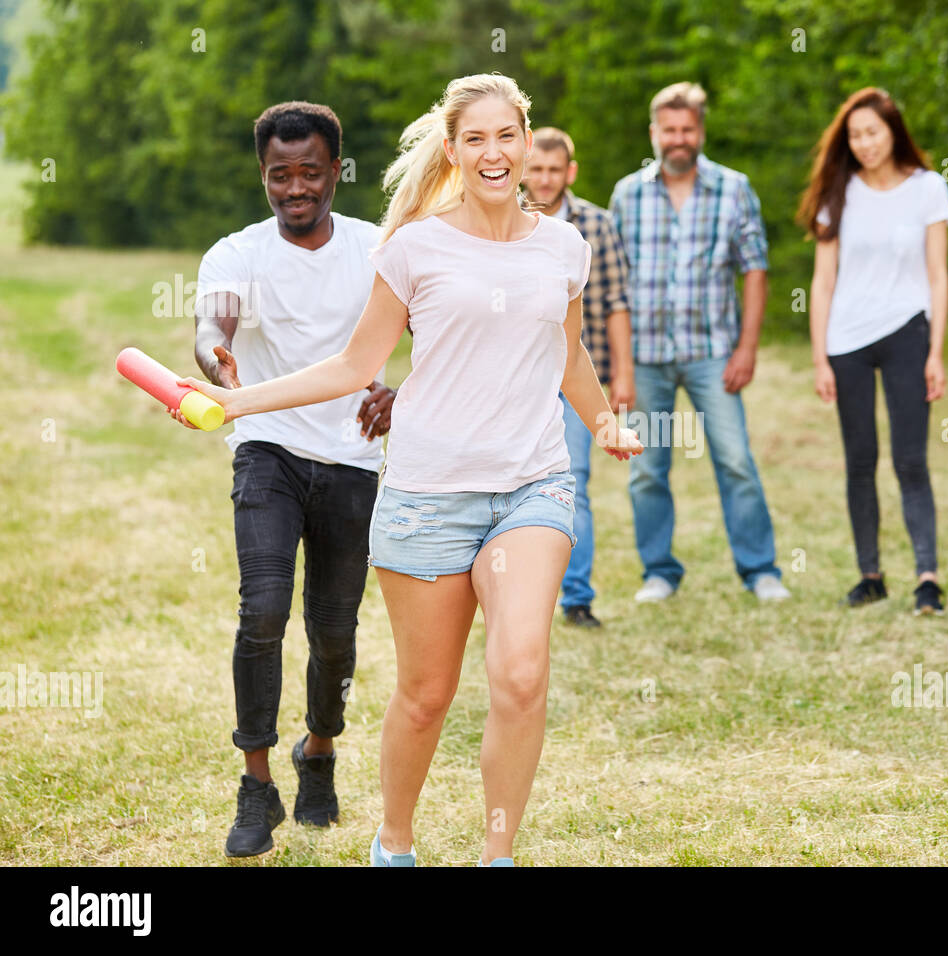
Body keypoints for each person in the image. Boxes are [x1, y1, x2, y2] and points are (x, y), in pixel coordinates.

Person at [175, 74, 643, 867]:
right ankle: (394, 842)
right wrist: (240, 401)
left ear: (527, 142)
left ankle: (499, 856)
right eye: (476, 140)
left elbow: (567, 352)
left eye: (507, 136)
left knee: (521, 673)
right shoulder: (414, 247)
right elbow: (356, 364)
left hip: (531, 483)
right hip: (428, 494)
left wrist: (603, 423)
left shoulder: (565, 245)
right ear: (454, 152)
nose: (493, 153)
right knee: (427, 696)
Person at [174, 101, 397, 858]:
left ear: (337, 170)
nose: (295, 188)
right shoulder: (237, 252)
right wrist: (215, 356)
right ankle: (256, 785)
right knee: (262, 609)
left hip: (353, 461)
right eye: (279, 175)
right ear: (262, 175)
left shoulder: (377, 248)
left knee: (335, 631)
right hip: (265, 445)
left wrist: (401, 393)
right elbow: (215, 321)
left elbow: (438, 336)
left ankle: (320, 752)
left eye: (309, 172)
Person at [609, 82, 789, 604]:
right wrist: (619, 361)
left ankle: (761, 572)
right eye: (669, 130)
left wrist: (747, 348)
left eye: (688, 129)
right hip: (646, 356)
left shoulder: (734, 189)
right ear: (654, 133)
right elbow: (613, 280)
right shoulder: (628, 193)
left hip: (714, 352)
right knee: (646, 470)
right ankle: (659, 573)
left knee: (735, 461)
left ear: (701, 132)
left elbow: (755, 269)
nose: (679, 139)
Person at [798, 87, 948, 615]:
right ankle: (870, 575)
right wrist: (820, 356)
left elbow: (938, 274)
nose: (864, 144)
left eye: (873, 132)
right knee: (859, 460)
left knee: (912, 460)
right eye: (855, 136)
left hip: (909, 333)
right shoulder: (837, 192)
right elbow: (822, 283)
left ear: (894, 132)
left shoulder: (928, 189)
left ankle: (927, 578)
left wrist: (936, 351)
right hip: (847, 342)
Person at [521, 126, 634, 628]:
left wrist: (621, 377)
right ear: (524, 170)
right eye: (536, 169)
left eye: (553, 170)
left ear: (570, 172)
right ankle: (519, 591)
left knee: (573, 482)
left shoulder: (595, 225)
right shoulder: (502, 221)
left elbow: (614, 303)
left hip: (573, 378)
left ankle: (577, 595)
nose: (544, 180)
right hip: (517, 379)